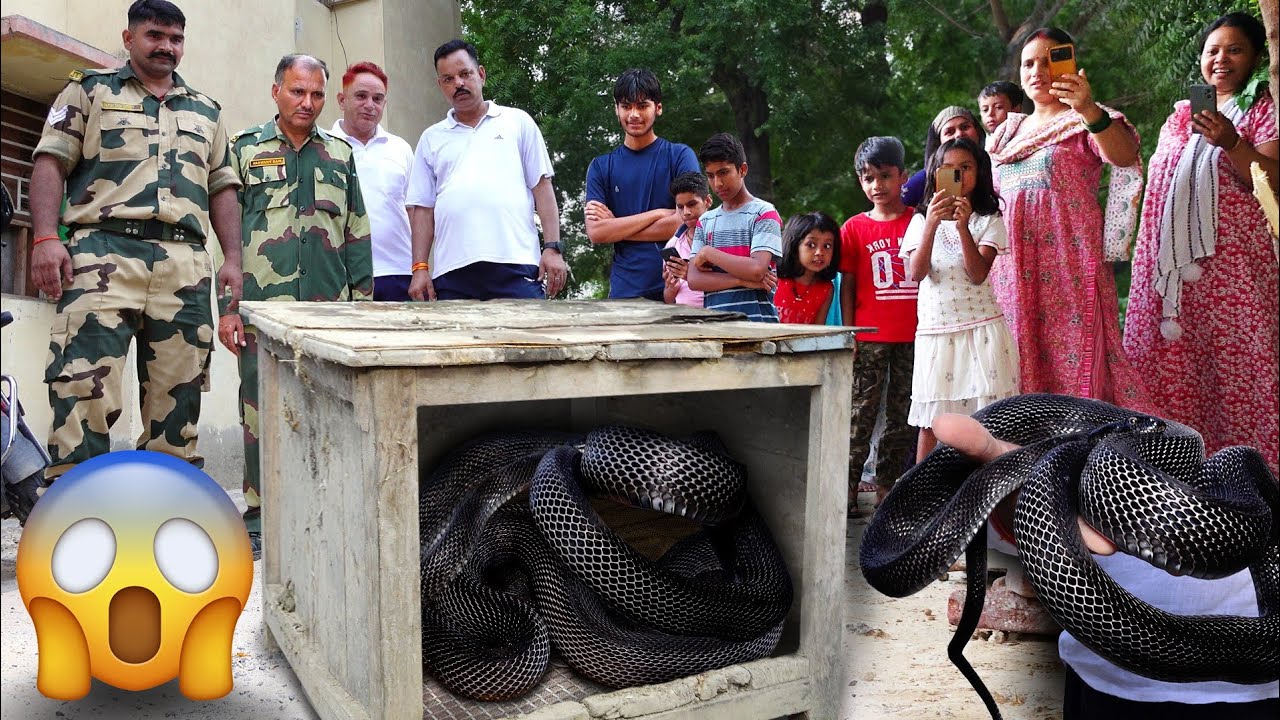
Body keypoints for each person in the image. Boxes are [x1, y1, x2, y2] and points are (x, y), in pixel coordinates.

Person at [934, 413, 1280, 718]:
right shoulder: (1096, 435)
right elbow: (986, 526)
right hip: (1105, 678)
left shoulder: (1222, 461)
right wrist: (1018, 509)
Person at [29, 0, 242, 481]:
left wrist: (232, 259)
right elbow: (50, 162)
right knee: (82, 391)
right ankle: (77, 520)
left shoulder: (207, 111)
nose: (167, 46)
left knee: (178, 399)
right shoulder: (88, 90)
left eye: (176, 39)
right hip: (101, 255)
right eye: (155, 35)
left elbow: (223, 187)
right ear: (129, 39)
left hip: (184, 267)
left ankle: (164, 519)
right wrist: (45, 236)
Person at [218, 54, 373, 558]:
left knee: (330, 409)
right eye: (297, 92)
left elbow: (356, 233)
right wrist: (227, 308)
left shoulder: (340, 156)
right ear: (275, 91)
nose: (307, 103)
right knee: (258, 410)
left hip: (329, 312)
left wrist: (363, 309)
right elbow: (226, 238)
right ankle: (260, 514)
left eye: (316, 94)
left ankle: (328, 506)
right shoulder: (244, 150)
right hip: (263, 311)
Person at [1123, 11, 1279, 475]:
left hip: (1233, 271)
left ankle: (1256, 481)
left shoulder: (1264, 108)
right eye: (1213, 50)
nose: (1222, 59)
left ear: (1255, 57)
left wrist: (1232, 141)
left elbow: (1268, 181)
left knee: (1239, 370)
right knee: (1176, 369)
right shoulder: (1178, 118)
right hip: (1173, 280)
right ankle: (1180, 480)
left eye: (1235, 50)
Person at [988, 28, 1148, 408]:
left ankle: (1084, 453)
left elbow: (1124, 157)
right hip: (1011, 270)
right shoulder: (1005, 133)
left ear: (1071, 66)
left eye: (1049, 60)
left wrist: (1089, 109)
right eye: (1028, 63)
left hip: (1069, 266)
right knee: (1016, 360)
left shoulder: (1088, 118)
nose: (1037, 70)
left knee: (1078, 361)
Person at [406, 39, 568, 301]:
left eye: (465, 74)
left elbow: (542, 188)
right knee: (459, 342)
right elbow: (423, 209)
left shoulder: (518, 122)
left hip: (517, 264)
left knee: (530, 341)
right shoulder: (430, 138)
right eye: (448, 79)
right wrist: (420, 268)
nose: (458, 83)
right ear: (440, 86)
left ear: (481, 74)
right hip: (452, 272)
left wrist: (552, 248)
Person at [901, 138, 1019, 460]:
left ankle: (992, 497)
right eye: (949, 169)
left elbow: (977, 273)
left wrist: (964, 227)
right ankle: (922, 500)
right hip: (937, 334)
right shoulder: (920, 220)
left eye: (965, 168)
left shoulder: (988, 218)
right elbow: (917, 272)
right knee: (930, 421)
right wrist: (933, 225)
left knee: (990, 420)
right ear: (936, 175)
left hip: (981, 332)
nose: (959, 175)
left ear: (979, 172)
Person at [838, 136, 918, 511]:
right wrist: (850, 331)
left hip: (914, 336)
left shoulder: (918, 220)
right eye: (869, 178)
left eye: (885, 176)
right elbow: (848, 284)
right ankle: (848, 488)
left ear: (902, 175)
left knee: (903, 416)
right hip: (869, 336)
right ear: (860, 182)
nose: (878, 186)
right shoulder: (853, 228)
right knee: (860, 414)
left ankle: (887, 485)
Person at [586, 69, 701, 300]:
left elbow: (688, 220)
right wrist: (658, 214)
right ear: (616, 109)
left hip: (679, 291)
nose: (634, 114)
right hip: (624, 292)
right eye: (626, 106)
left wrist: (616, 228)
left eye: (642, 105)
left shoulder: (679, 156)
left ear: (658, 108)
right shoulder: (601, 167)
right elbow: (597, 232)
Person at [332, 61, 415, 302]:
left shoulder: (400, 149)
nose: (370, 105)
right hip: (341, 276)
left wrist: (419, 267)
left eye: (378, 99)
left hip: (397, 273)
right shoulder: (324, 149)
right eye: (361, 96)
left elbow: (413, 211)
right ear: (341, 100)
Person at [686, 133, 782, 322]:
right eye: (711, 176)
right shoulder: (705, 221)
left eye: (723, 172)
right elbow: (694, 280)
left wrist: (708, 253)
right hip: (717, 330)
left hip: (759, 327)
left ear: (742, 169)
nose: (717, 183)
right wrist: (741, 280)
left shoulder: (764, 213)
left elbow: (757, 269)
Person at [902, 106, 986, 207]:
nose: (959, 134)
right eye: (949, 132)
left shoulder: (996, 166)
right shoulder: (924, 180)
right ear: (939, 142)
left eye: (964, 127)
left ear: (977, 133)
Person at [773, 212, 840, 324]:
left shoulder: (826, 289)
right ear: (794, 246)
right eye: (811, 245)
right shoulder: (773, 278)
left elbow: (817, 331)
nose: (820, 252)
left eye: (827, 246)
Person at [662, 171, 711, 308]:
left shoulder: (723, 236)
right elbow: (668, 299)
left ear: (707, 201)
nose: (686, 212)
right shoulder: (673, 244)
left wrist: (690, 274)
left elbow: (733, 282)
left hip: (717, 316)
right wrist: (671, 288)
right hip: (683, 319)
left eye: (692, 204)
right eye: (680, 207)